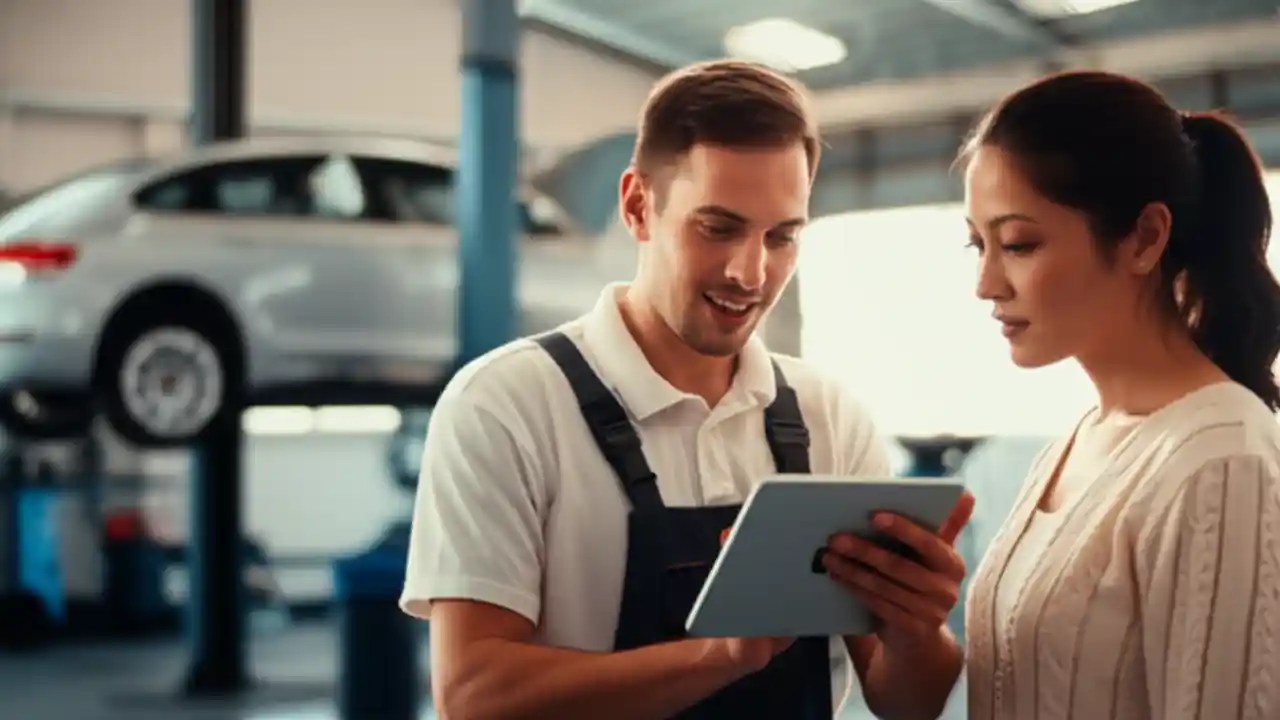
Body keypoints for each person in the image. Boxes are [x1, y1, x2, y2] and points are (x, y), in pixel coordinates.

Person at [400, 59, 973, 719]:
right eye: (719, 227)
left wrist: (918, 628)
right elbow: (473, 696)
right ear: (639, 205)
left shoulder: (827, 415)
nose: (749, 271)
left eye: (782, 236)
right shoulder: (507, 405)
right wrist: (718, 656)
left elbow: (910, 703)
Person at [959, 69, 1280, 720]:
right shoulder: (1082, 438)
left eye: (1019, 243)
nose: (986, 282)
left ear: (1144, 238)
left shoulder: (1222, 458)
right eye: (978, 243)